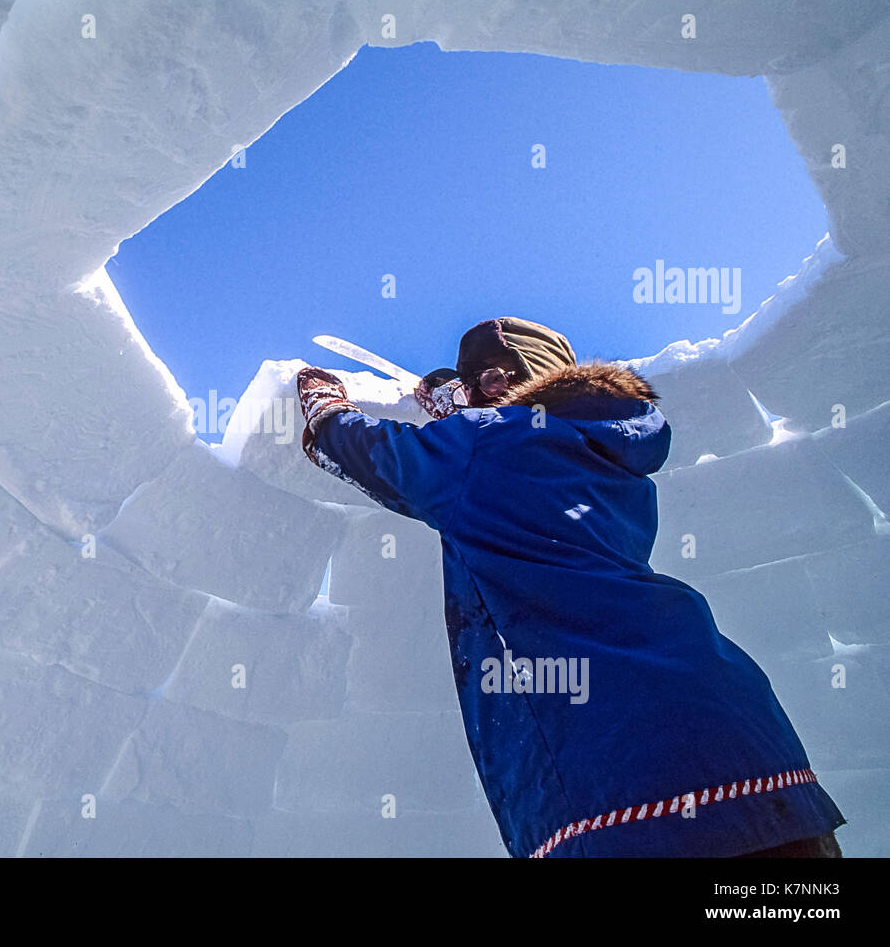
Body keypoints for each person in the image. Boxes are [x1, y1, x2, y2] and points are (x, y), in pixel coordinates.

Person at [297, 316, 846, 858]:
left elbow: (378, 453)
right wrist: (463, 416)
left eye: (485, 377)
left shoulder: (485, 443)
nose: (476, 393)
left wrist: (325, 410)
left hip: (626, 782)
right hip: (755, 757)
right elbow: (505, 460)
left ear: (513, 380)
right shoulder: (608, 453)